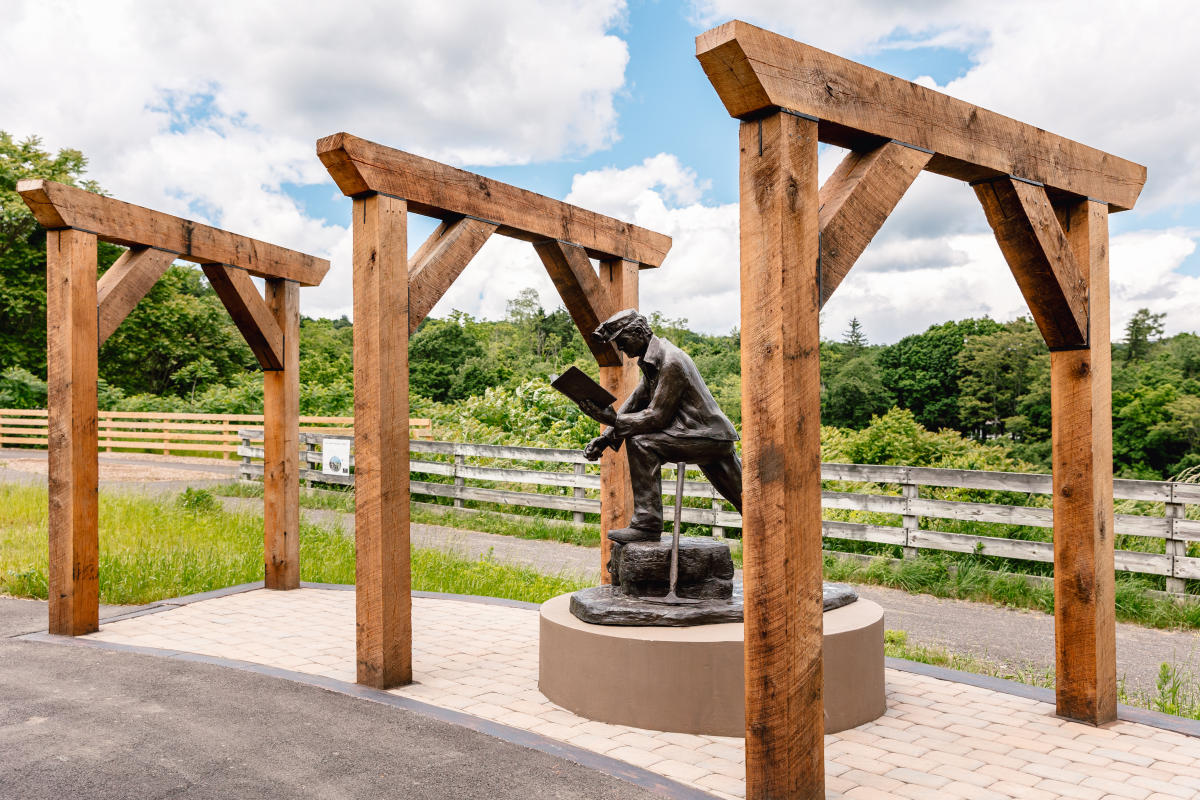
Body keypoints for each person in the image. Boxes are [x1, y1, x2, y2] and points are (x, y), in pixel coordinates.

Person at [575, 309, 742, 543]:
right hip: (703, 436)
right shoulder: (652, 361)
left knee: (641, 442)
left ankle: (647, 523)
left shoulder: (671, 360)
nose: (620, 349)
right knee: (751, 502)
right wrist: (605, 438)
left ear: (638, 332)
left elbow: (656, 418)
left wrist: (611, 420)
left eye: (621, 342)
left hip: (706, 437)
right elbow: (635, 402)